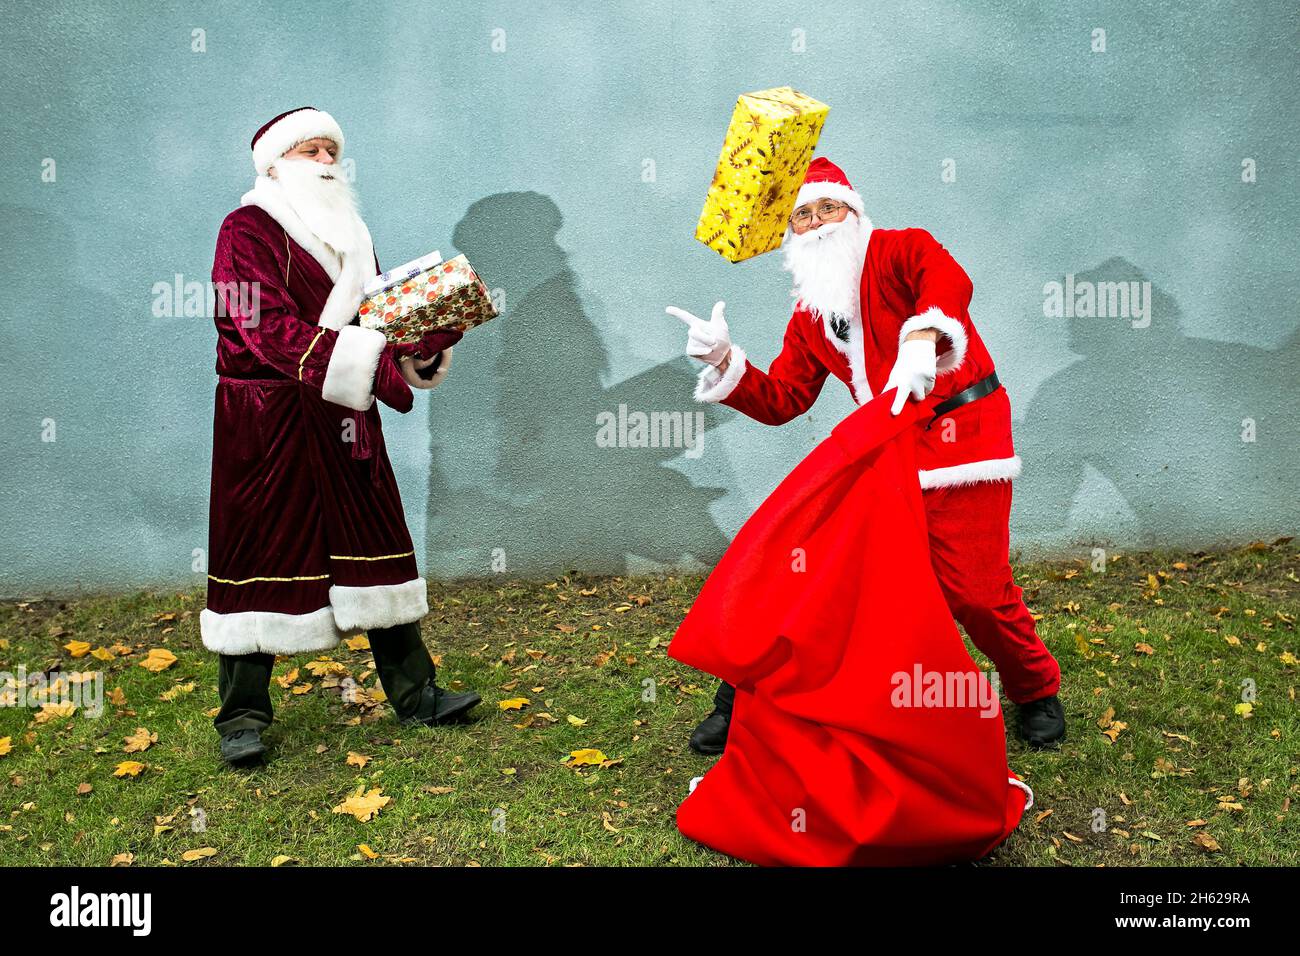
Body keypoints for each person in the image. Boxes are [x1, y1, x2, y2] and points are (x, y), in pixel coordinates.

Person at [668, 157, 1066, 752]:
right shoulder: (809, 315)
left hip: (965, 439)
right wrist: (727, 361)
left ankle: (1034, 688)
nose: (819, 221)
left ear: (853, 211)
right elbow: (785, 399)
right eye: (803, 215)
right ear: (791, 235)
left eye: (829, 207)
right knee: (801, 566)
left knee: (974, 593)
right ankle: (742, 700)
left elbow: (949, 284)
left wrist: (921, 339)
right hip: (886, 449)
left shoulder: (902, 250)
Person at [203, 107, 479, 765]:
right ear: (274, 164)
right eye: (310, 150)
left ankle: (417, 695)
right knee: (257, 558)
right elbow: (261, 327)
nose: (326, 161)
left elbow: (375, 317)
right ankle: (241, 719)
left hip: (344, 416)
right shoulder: (243, 230)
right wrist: (366, 362)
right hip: (268, 422)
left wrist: (428, 338)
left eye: (332, 149)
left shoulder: (351, 234)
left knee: (375, 544)